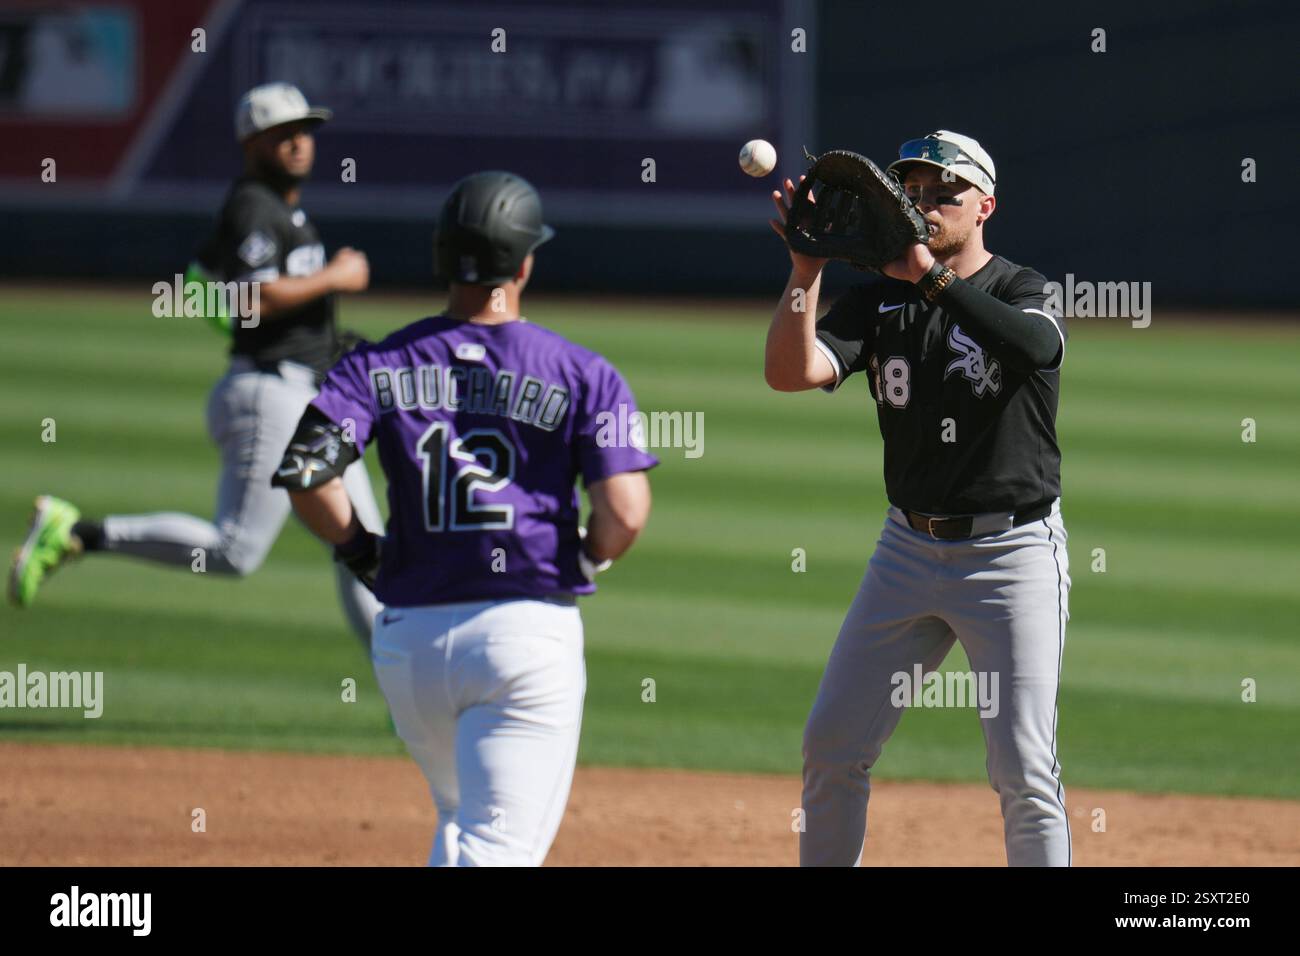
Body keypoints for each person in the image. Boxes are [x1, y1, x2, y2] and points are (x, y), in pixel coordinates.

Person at [274, 170, 656, 866]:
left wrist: (361, 550)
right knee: (496, 848)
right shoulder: (581, 371)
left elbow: (306, 475)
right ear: (528, 260)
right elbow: (625, 514)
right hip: (523, 640)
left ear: (441, 256)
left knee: (461, 821)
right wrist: (589, 557)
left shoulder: (375, 364)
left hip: (409, 646)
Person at [765, 131, 1072, 866]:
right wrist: (805, 271)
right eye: (915, 191)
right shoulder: (878, 301)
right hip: (905, 550)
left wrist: (929, 276)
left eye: (946, 192)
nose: (927, 203)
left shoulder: (1021, 288)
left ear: (985, 206)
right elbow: (789, 372)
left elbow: (1033, 348)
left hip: (1012, 554)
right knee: (832, 744)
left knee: (1022, 767)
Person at [8, 82, 384, 646]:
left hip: (308, 395)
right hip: (271, 394)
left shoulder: (280, 211)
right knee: (235, 550)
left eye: (305, 130)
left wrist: (317, 340)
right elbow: (252, 297)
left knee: (362, 544)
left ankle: (406, 692)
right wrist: (334, 278)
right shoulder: (252, 205)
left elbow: (201, 280)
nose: (300, 142)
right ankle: (76, 532)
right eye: (284, 133)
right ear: (253, 143)